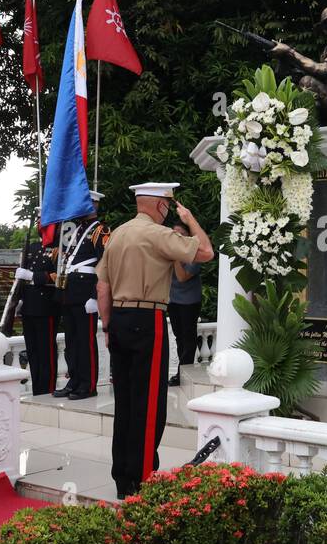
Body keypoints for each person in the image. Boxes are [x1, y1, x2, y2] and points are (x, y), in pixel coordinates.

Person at [96, 183, 213, 498]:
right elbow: (205, 251)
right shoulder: (158, 234)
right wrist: (189, 220)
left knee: (125, 402)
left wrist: (107, 327)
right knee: (149, 405)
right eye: (168, 206)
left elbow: (102, 286)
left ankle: (122, 478)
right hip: (147, 319)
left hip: (118, 320)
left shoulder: (117, 234)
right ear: (161, 206)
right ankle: (143, 478)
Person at [54, 189, 109, 400]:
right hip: (71, 290)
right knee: (72, 341)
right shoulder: (75, 230)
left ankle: (88, 384)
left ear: (94, 206)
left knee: (85, 341)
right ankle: (74, 380)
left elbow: (105, 263)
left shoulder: (100, 231)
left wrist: (95, 296)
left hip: (86, 290)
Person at [272, 5, 327, 121]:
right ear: (325, 29)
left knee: (307, 82)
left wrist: (289, 51)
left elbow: (322, 70)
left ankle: (307, 125)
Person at [11, 215, 62, 396]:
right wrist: (20, 300)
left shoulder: (59, 248)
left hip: (46, 306)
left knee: (46, 350)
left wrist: (34, 277)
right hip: (29, 305)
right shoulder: (32, 247)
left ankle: (47, 389)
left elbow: (59, 276)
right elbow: (22, 278)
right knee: (32, 350)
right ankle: (38, 389)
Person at [167, 224, 203, 387]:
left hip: (189, 301)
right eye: (175, 234)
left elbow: (182, 277)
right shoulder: (168, 251)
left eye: (181, 234)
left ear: (188, 236)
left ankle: (182, 374)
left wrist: (174, 258)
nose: (178, 237)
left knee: (188, 339)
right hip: (173, 300)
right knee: (179, 337)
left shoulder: (194, 254)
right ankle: (184, 371)